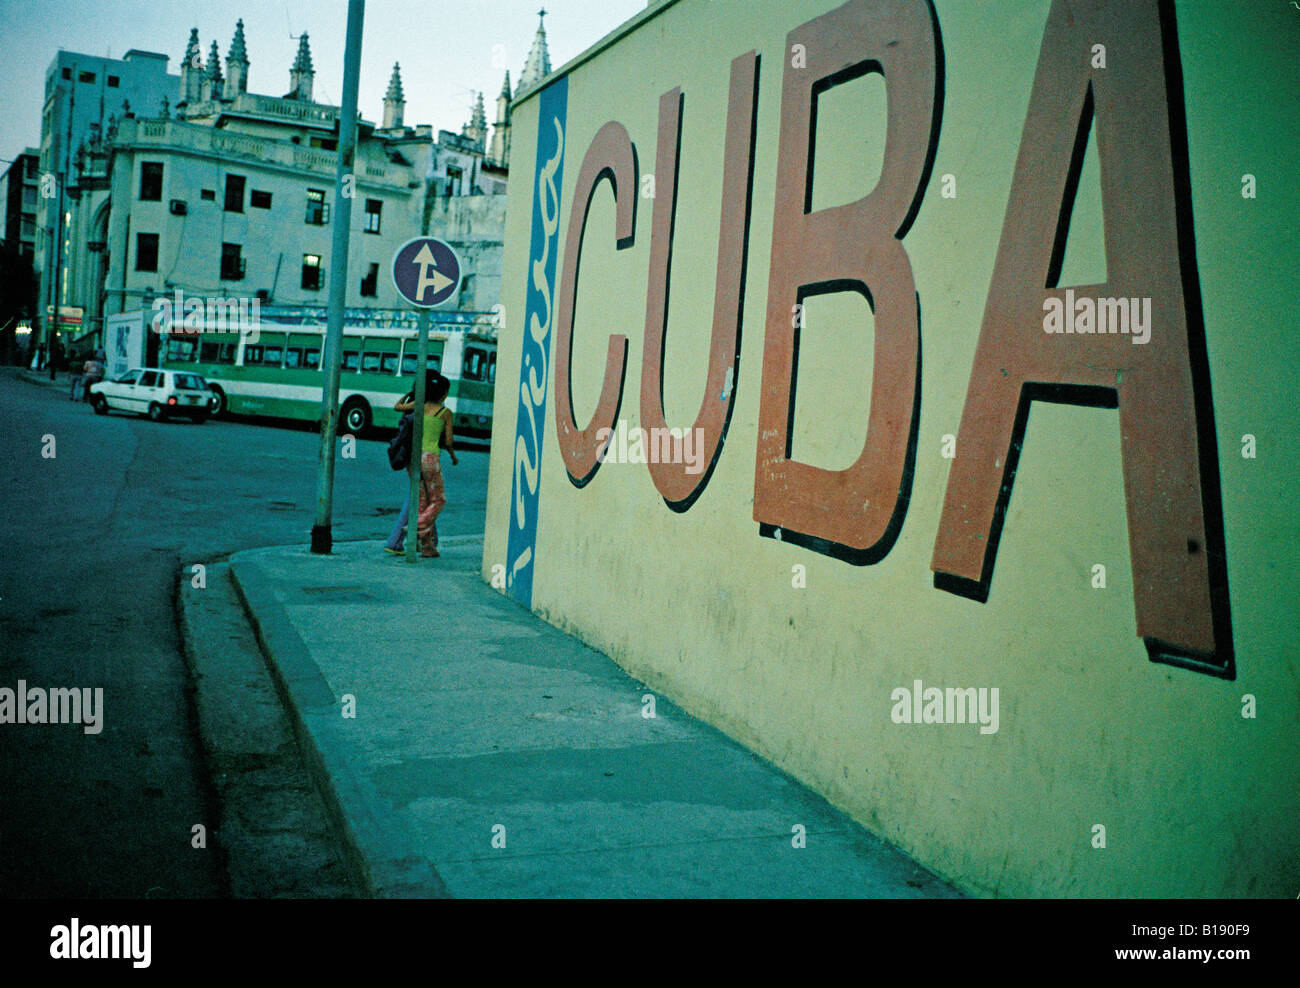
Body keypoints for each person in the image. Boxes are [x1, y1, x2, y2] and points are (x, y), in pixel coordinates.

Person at [417, 372, 458, 558]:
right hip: (430, 458)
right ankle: (416, 526)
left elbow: (398, 406)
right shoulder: (445, 413)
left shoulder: (420, 406)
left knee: (423, 501)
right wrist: (453, 456)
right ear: (444, 394)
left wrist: (410, 396)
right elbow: (448, 441)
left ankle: (427, 548)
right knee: (439, 500)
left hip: (415, 457)